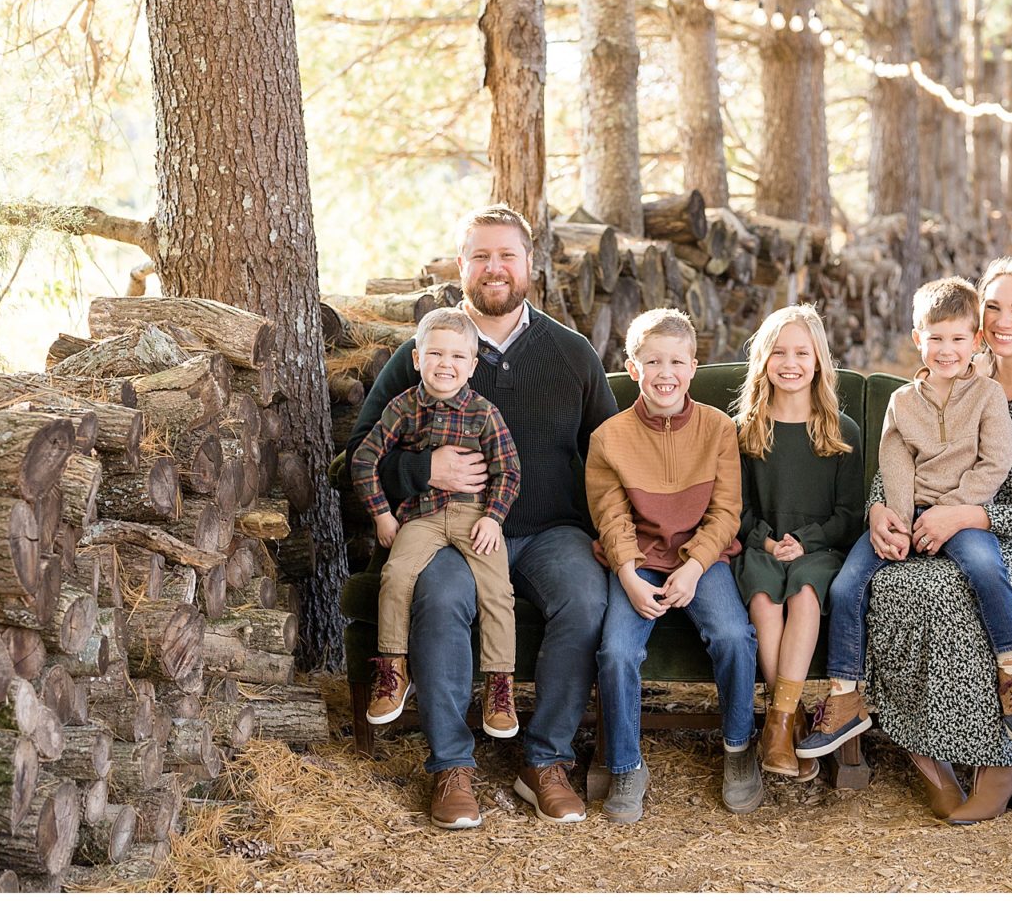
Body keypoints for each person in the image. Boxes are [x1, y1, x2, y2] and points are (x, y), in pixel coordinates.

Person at [345, 205, 618, 831]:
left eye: (507, 256)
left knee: (583, 598)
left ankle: (545, 762)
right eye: (480, 256)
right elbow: (353, 458)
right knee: (438, 598)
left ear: (530, 265)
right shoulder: (426, 349)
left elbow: (610, 454)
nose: (494, 268)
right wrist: (422, 472)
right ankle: (451, 767)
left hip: (552, 532)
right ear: (461, 265)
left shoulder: (572, 353)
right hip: (449, 527)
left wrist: (613, 534)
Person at [862, 256, 1012, 824]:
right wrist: (877, 509)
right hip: (941, 521)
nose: (1004, 321)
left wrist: (968, 517)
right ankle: (928, 752)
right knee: (898, 584)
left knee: (957, 587)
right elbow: (904, 453)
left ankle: (1004, 760)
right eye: (993, 307)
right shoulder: (958, 371)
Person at [586, 308, 762, 823]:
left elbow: (726, 512)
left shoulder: (718, 430)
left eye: (676, 362)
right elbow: (611, 518)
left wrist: (694, 567)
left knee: (733, 635)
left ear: (693, 366)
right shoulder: (609, 438)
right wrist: (627, 575)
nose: (665, 373)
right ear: (633, 366)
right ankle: (625, 764)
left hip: (701, 560)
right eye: (652, 361)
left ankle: (738, 747)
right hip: (637, 561)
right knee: (617, 650)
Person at [349, 307, 522, 741]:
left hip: (473, 515)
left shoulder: (484, 413)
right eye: (436, 354)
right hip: (419, 516)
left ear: (473, 365)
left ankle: (499, 685)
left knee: (497, 590)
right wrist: (382, 515)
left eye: (458, 357)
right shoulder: (402, 408)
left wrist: (494, 518)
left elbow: (509, 472)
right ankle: (392, 670)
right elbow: (363, 460)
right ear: (416, 359)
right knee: (395, 575)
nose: (446, 364)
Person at [730, 305, 863, 781]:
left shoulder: (841, 432)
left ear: (819, 361)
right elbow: (736, 507)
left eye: (801, 352)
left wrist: (804, 542)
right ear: (763, 361)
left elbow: (849, 515)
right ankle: (786, 720)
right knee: (766, 601)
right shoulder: (746, 432)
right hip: (760, 547)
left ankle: (778, 725)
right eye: (779, 352)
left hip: (819, 552)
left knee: (805, 595)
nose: (790, 363)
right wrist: (765, 543)